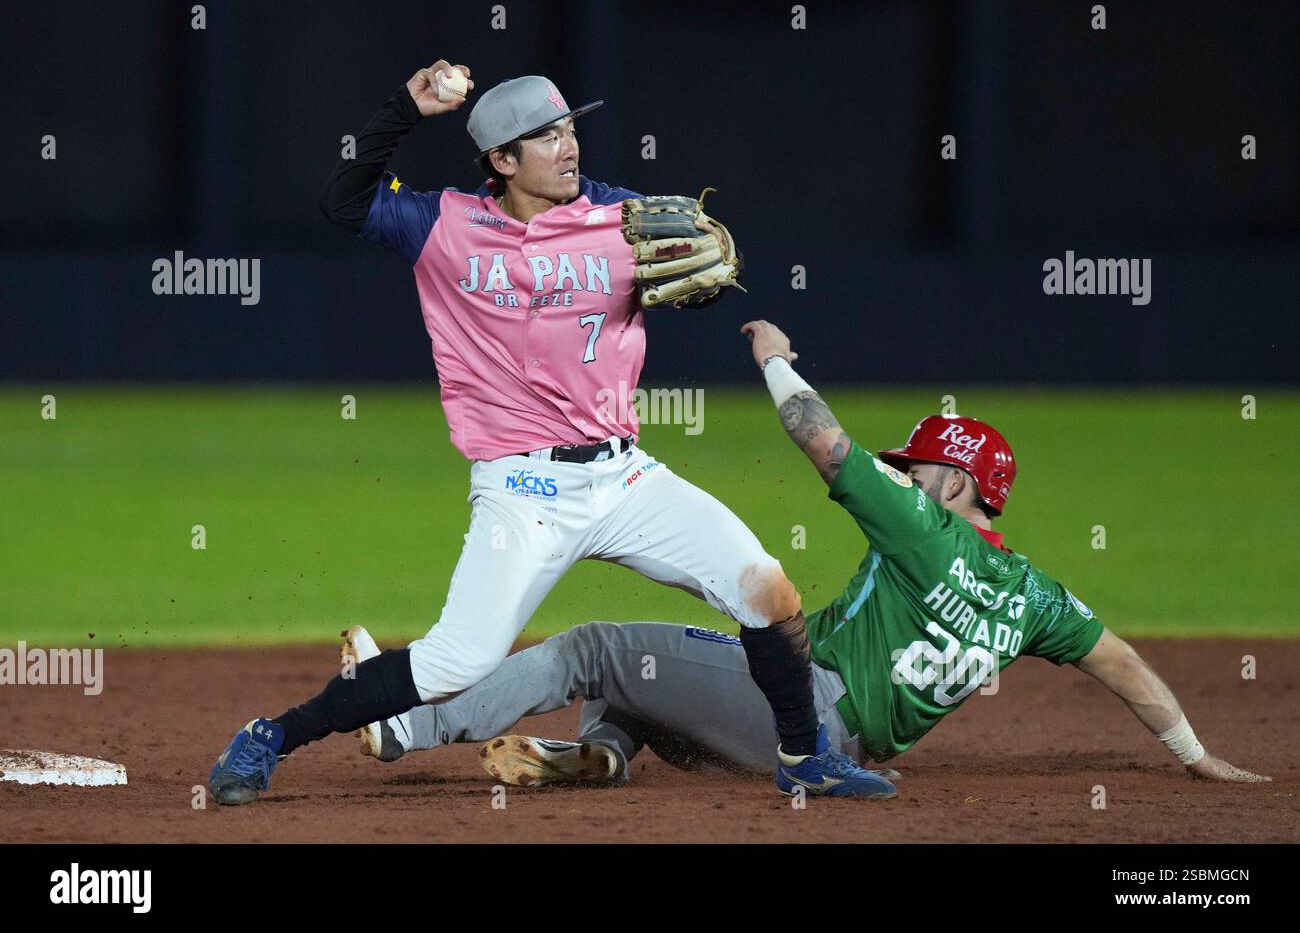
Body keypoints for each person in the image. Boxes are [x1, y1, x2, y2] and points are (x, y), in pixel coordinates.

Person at [207, 65, 891, 805]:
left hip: (625, 478)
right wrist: (407, 108)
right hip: (521, 486)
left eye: (569, 129)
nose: (568, 147)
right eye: (545, 137)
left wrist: (710, 285)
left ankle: (804, 757)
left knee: (766, 589)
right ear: (501, 161)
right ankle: (268, 738)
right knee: (452, 663)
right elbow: (343, 199)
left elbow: (693, 276)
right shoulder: (442, 224)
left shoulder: (622, 217)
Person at [346, 320, 1270, 790]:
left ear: (961, 488)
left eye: (923, 468)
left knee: (597, 647)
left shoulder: (923, 530)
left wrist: (775, 359)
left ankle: (409, 725)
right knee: (664, 663)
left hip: (798, 714)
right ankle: (604, 759)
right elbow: (1120, 661)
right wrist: (1192, 753)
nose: (906, 477)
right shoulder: (1034, 598)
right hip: (817, 736)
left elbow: (821, 439)